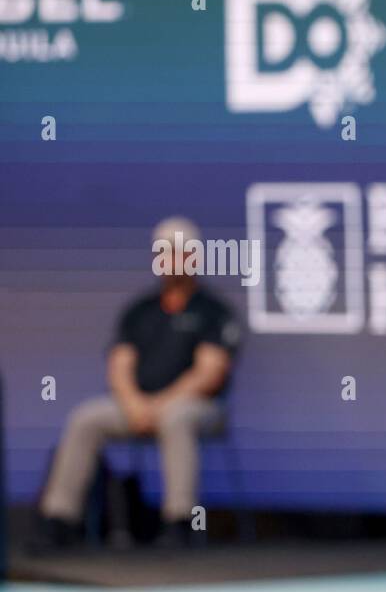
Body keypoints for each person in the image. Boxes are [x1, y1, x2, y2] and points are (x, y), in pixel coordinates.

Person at [36, 217, 240, 548]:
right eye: (163, 252)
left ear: (194, 256)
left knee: (177, 418)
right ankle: (60, 521)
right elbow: (119, 365)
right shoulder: (140, 310)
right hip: (138, 406)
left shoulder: (213, 311)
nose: (169, 260)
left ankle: (179, 522)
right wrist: (134, 404)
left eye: (177, 252)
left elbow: (209, 373)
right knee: (86, 417)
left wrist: (160, 405)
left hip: (198, 408)